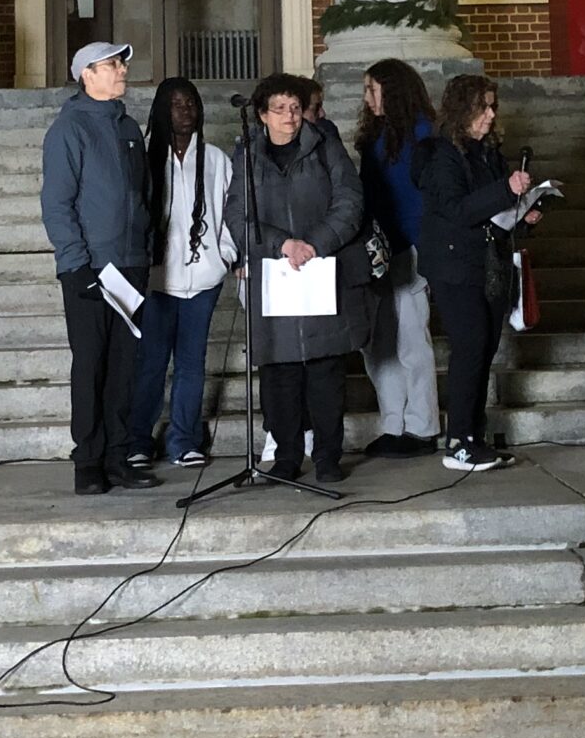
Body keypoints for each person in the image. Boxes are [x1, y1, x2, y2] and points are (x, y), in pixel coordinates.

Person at [228, 71, 372, 484]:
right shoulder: (247, 155)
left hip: (319, 269)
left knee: (325, 371)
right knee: (279, 372)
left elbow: (350, 200)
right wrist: (281, 244)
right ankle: (287, 457)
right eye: (279, 109)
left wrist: (315, 242)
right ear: (261, 115)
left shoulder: (326, 145)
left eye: (294, 108)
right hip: (274, 274)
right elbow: (237, 215)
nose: (289, 117)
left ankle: (328, 457)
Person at [40, 40, 152, 496]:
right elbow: (57, 203)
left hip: (130, 265)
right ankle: (87, 461)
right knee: (91, 365)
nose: (122, 69)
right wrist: (75, 263)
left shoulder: (128, 126)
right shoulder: (69, 129)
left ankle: (117, 456)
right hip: (90, 269)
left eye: (122, 62)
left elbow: (142, 195)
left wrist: (144, 248)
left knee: (125, 367)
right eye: (112, 65)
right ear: (87, 74)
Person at [413, 74, 525, 473]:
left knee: (485, 347)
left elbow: (497, 209)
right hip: (454, 265)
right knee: (470, 347)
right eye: (484, 107)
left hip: (488, 263)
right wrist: (507, 191)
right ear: (463, 110)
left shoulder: (488, 152)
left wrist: (527, 210)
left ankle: (474, 436)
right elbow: (458, 209)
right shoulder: (442, 154)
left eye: (493, 106)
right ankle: (458, 440)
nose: (491, 115)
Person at [127, 77, 234, 470]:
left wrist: (223, 256)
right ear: (161, 110)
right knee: (151, 362)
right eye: (176, 104)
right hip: (157, 280)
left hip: (203, 280)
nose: (186, 110)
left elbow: (230, 216)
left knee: (192, 363)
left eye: (191, 103)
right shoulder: (145, 158)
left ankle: (184, 440)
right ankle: (138, 439)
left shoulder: (217, 159)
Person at [356, 59, 439, 457]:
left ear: (393, 91)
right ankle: (393, 423)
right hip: (378, 249)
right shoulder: (376, 136)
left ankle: (421, 426)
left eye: (372, 89)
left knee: (411, 341)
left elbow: (425, 197)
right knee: (379, 345)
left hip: (410, 247)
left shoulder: (424, 133)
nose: (367, 98)